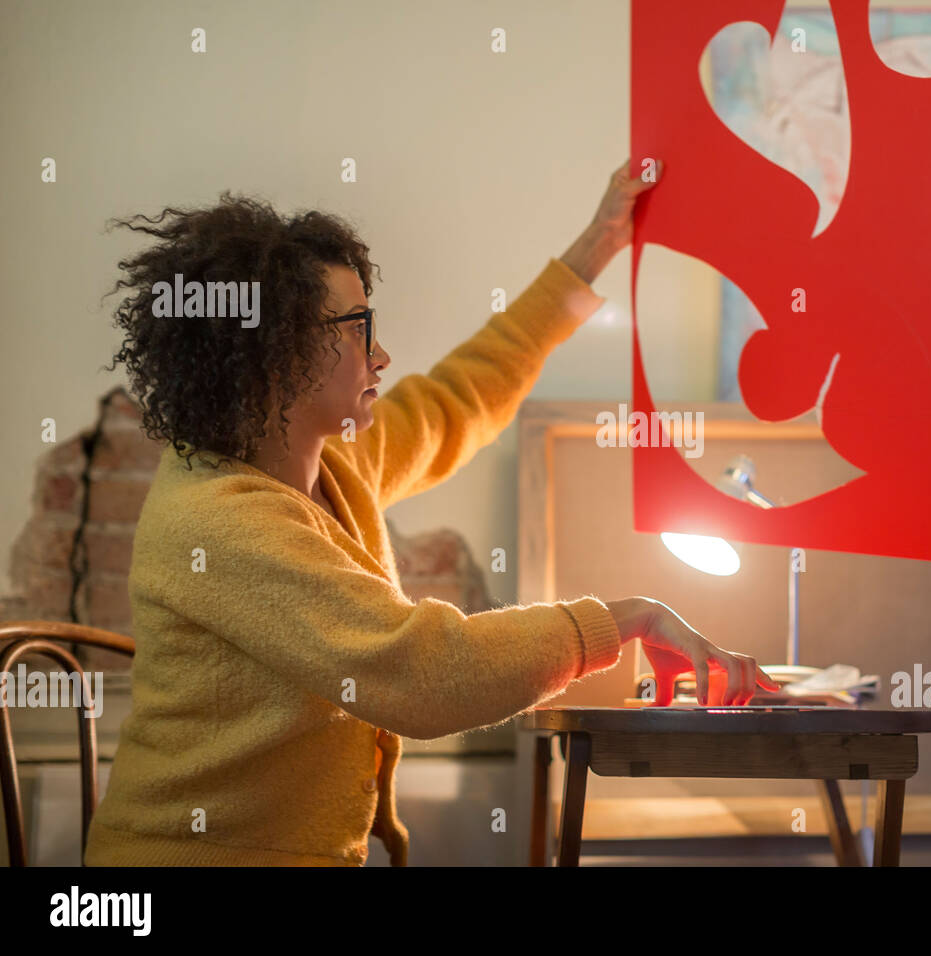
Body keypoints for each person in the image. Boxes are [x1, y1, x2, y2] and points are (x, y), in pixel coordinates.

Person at [83, 159, 778, 866]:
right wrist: (626, 618)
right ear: (273, 354)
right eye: (356, 329)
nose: (380, 354)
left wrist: (596, 247)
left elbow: (459, 400)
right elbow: (419, 673)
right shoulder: (219, 521)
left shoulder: (333, 458)